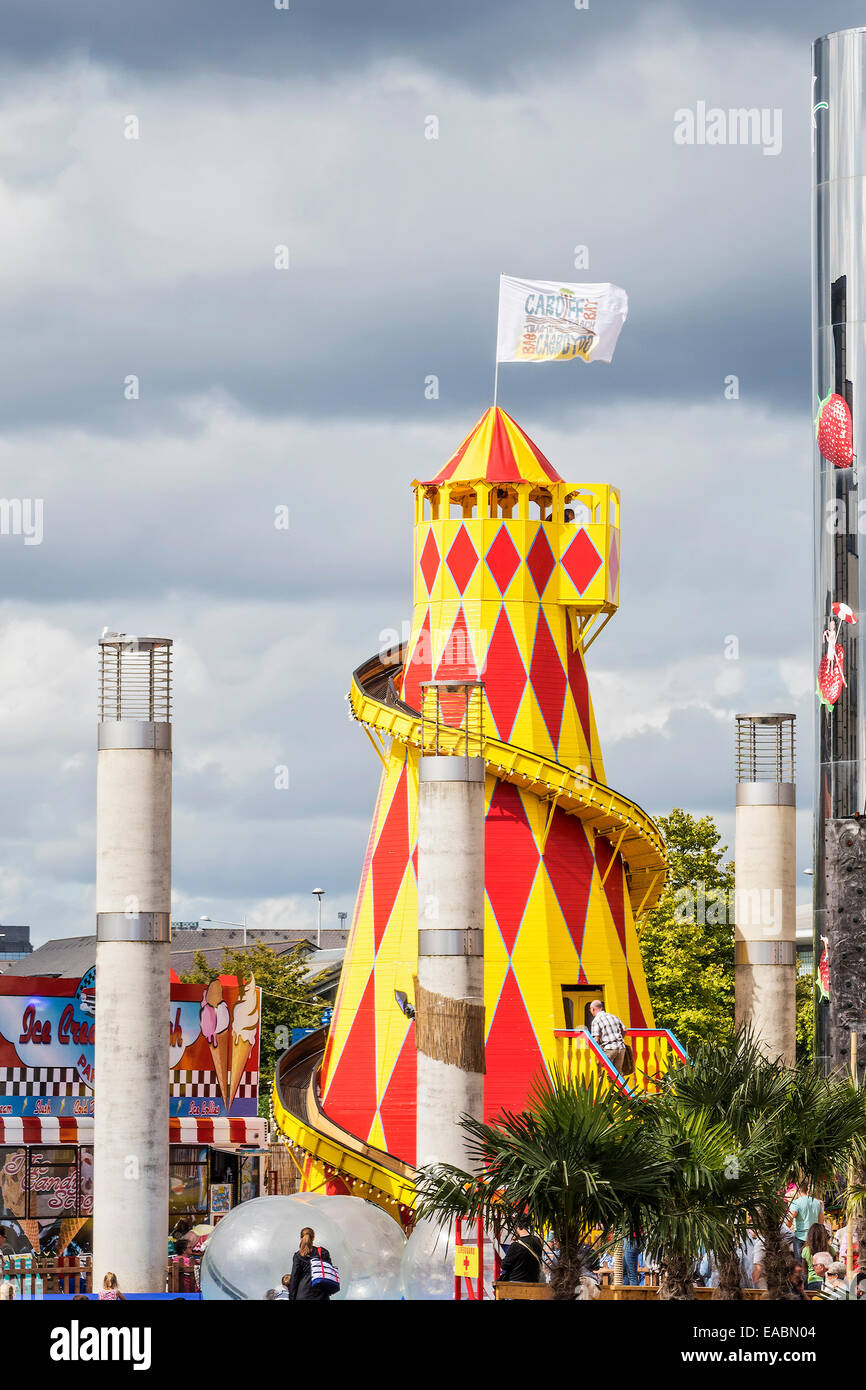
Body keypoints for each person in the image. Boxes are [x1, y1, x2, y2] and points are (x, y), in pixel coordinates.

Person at [288, 1227, 336, 1301]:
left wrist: (292, 1297)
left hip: (302, 1294)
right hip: (321, 1295)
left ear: (301, 1238)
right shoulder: (323, 1252)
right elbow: (329, 1272)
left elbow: (294, 1278)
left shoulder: (298, 1255)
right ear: (313, 1238)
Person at [785, 1182, 823, 1262]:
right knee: (814, 1262)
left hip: (800, 1237)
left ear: (798, 1190)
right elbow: (821, 1222)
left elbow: (790, 1219)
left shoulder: (796, 1203)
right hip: (814, 1236)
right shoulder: (817, 1203)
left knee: (800, 1263)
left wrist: (788, 1225)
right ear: (807, 1189)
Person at [588, 1000, 626, 1074]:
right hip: (621, 1048)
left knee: (596, 1064)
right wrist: (620, 1039)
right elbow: (624, 1029)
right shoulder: (614, 1016)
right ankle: (620, 1085)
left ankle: (599, 1081)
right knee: (617, 1074)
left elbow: (596, 1039)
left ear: (593, 1009)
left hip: (609, 1049)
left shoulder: (596, 1020)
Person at [802, 1222, 832, 1289]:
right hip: (827, 1282)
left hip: (812, 1282)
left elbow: (804, 1270)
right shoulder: (830, 1249)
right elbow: (834, 1267)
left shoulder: (806, 1250)